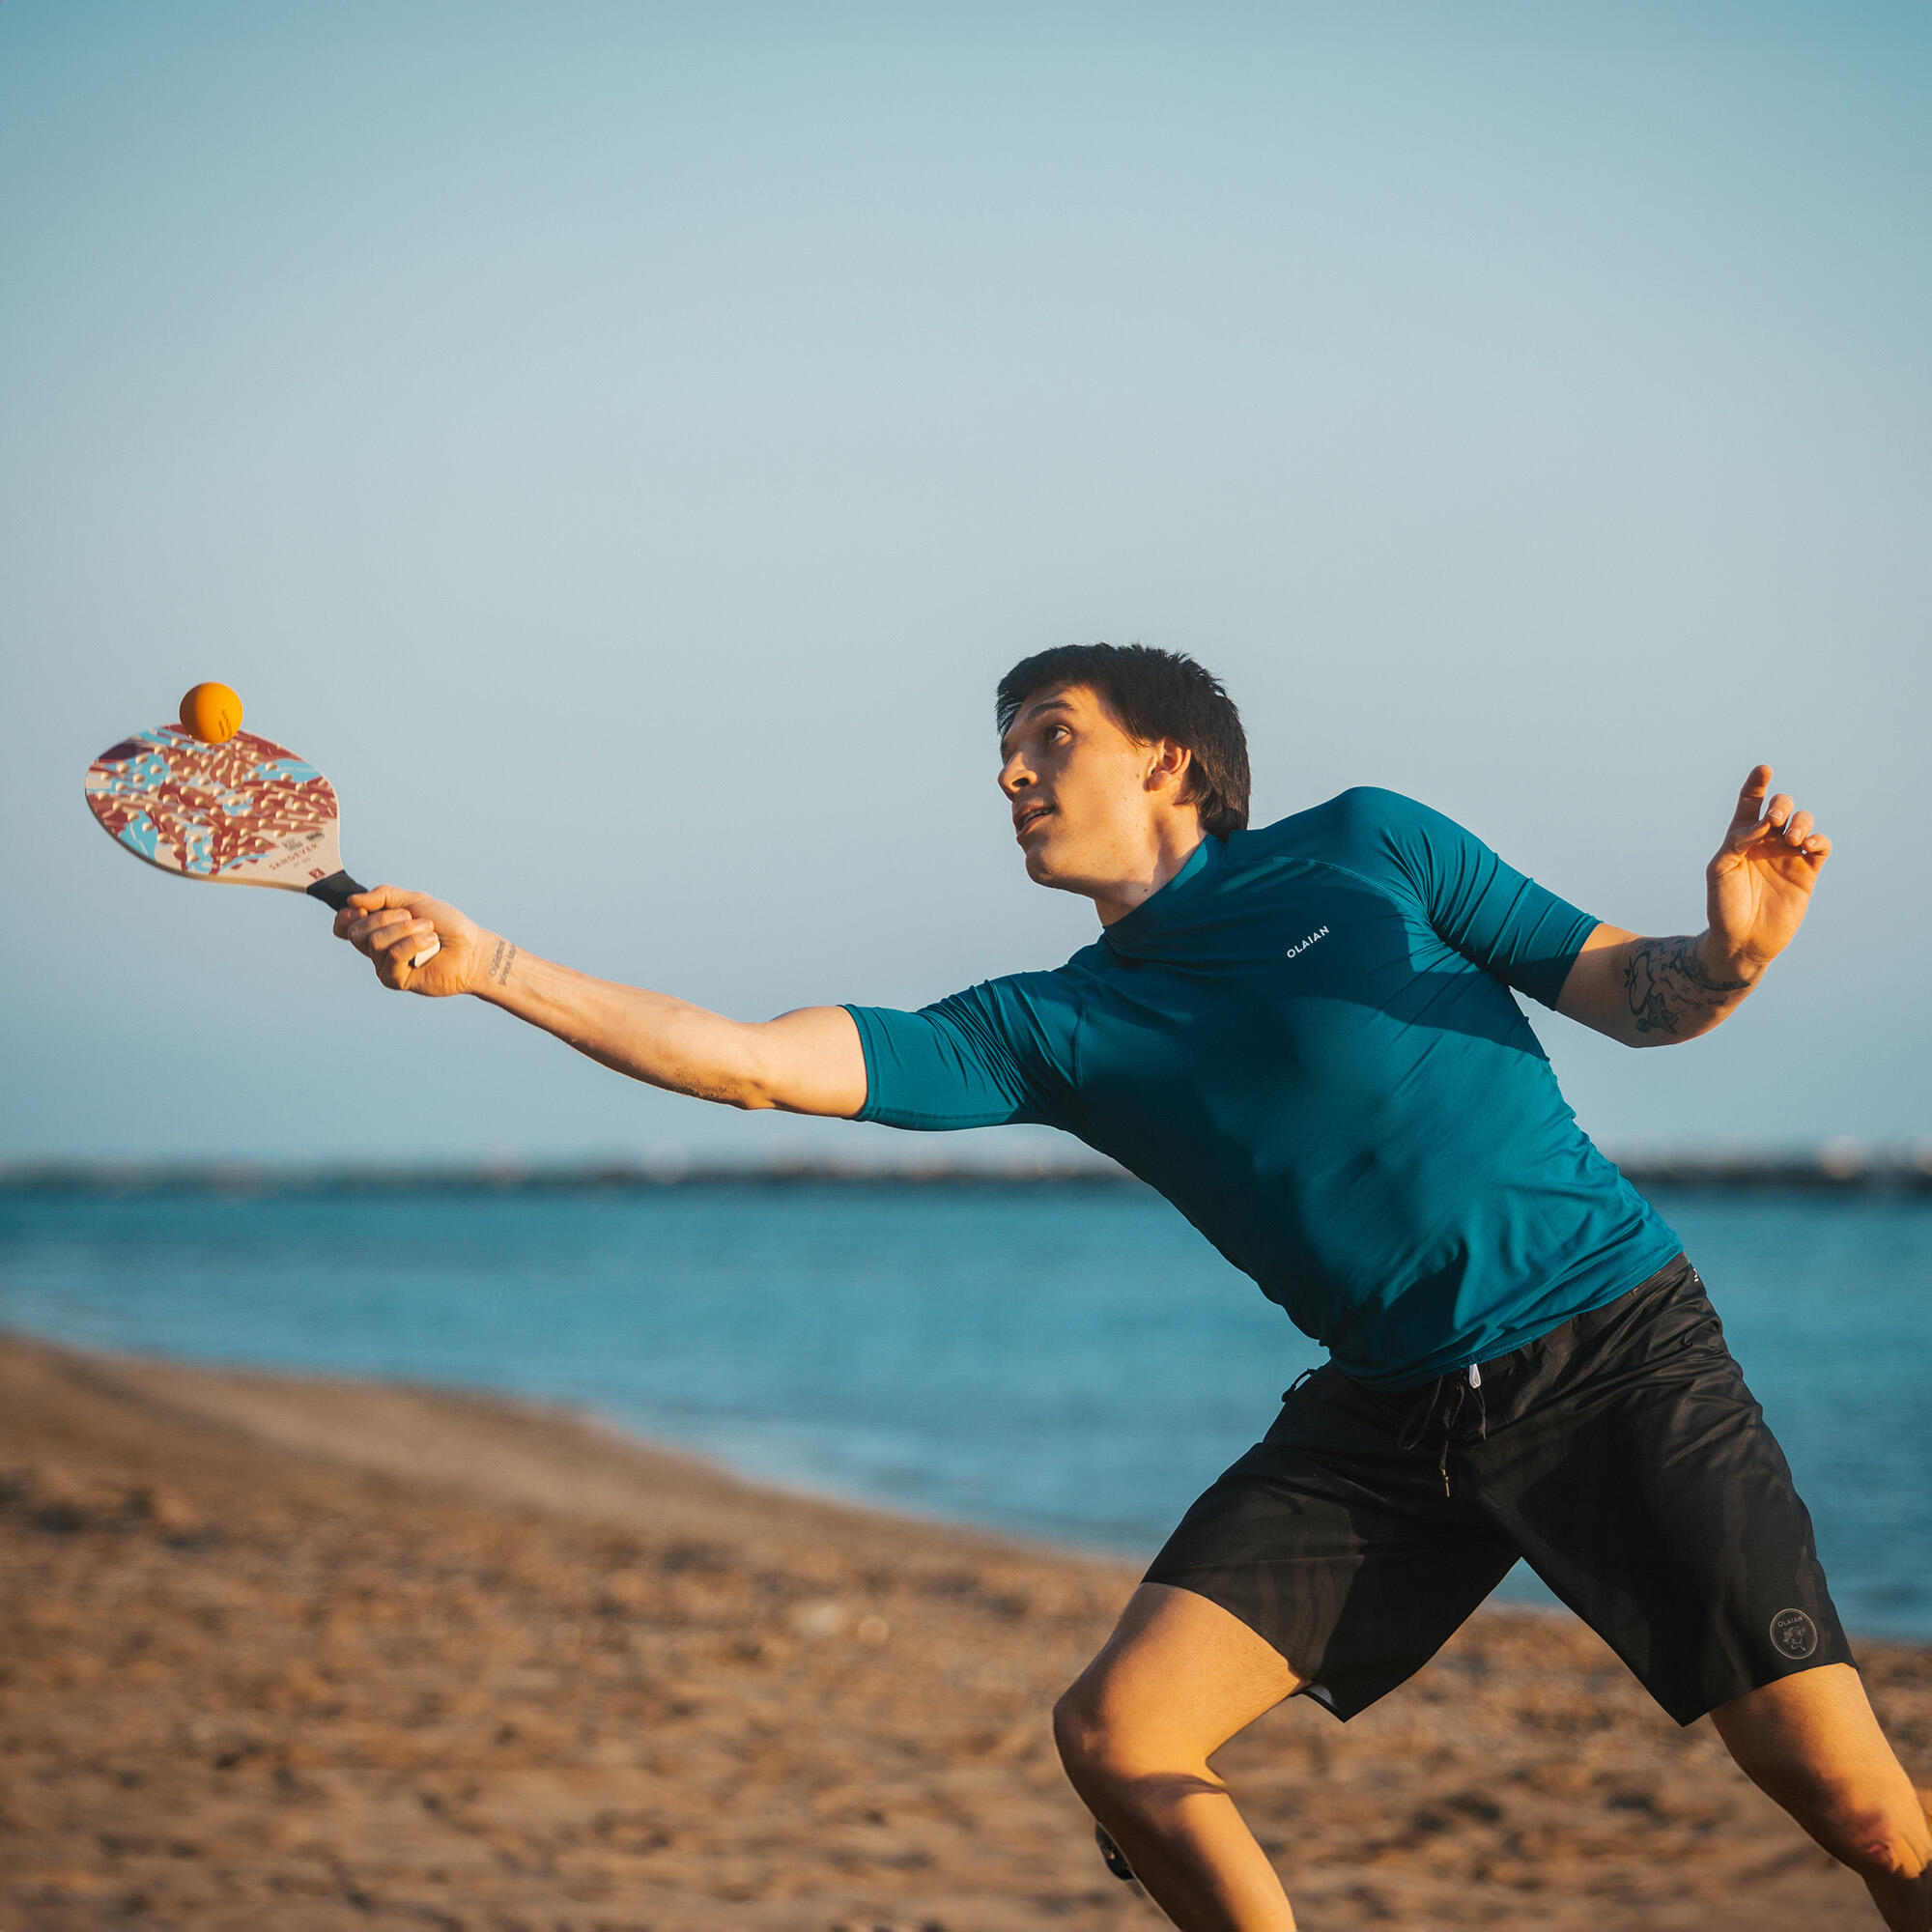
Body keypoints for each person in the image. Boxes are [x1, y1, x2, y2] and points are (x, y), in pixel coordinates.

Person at [336, 642, 1928, 1932]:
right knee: (1118, 1734)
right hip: (1390, 1419)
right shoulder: (1051, 1027)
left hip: (1615, 1358)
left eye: (1051, 739)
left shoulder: (1370, 844)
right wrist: (496, 967)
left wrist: (1733, 957)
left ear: (1170, 761)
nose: (1012, 777)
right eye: (1005, 755)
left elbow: (1636, 997)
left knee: (1864, 1815)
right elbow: (756, 1063)